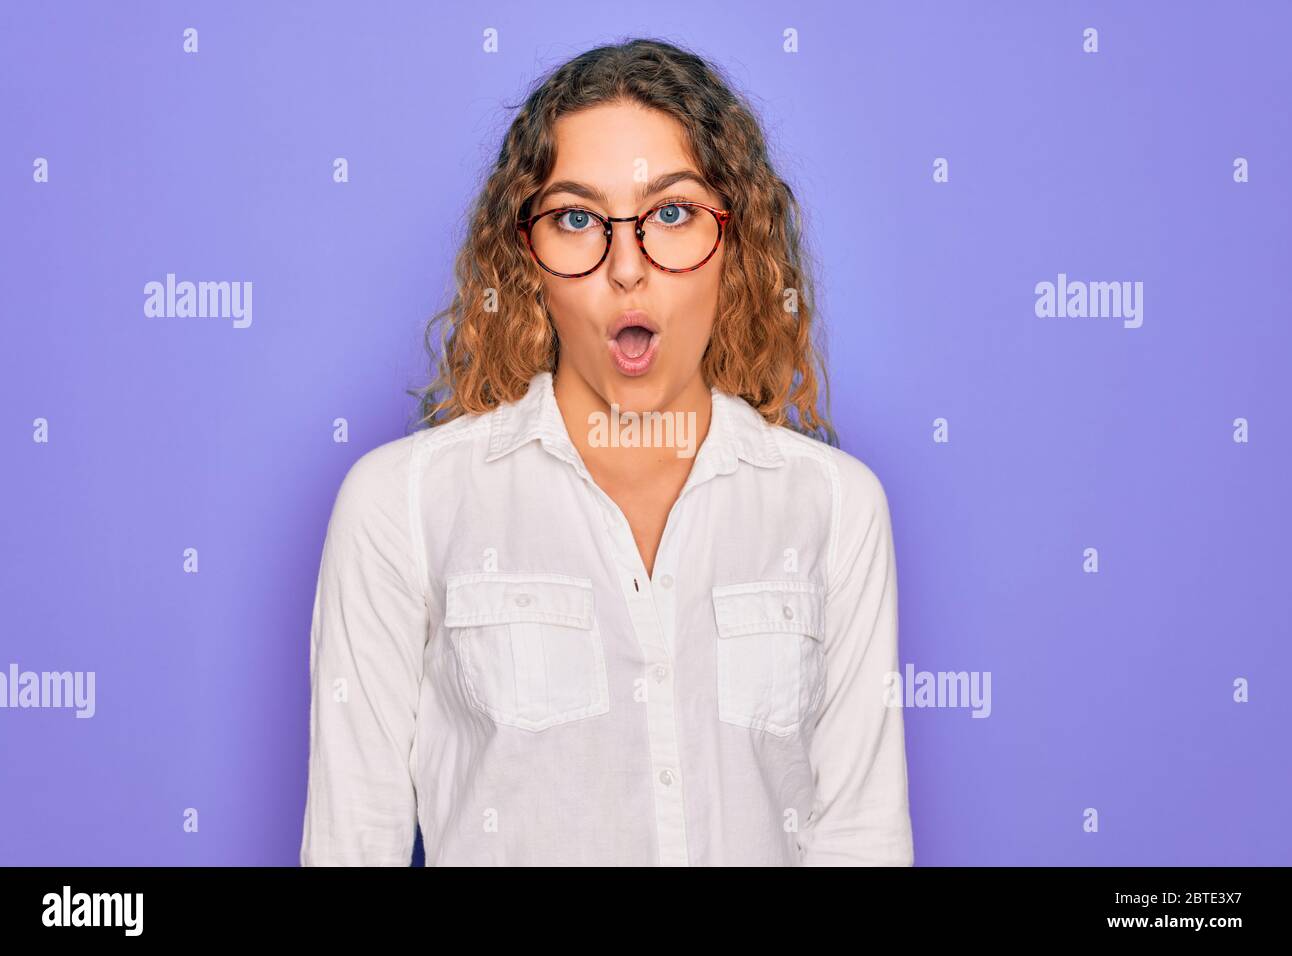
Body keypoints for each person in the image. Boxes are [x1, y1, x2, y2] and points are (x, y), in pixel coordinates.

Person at [300, 37, 913, 866]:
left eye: (672, 212)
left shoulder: (836, 508)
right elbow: (351, 840)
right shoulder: (401, 504)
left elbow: (862, 840)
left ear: (735, 244)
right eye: (577, 219)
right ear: (525, 257)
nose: (628, 268)